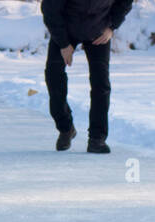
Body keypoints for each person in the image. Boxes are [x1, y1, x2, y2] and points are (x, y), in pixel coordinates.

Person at [41, 0, 133, 153]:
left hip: (98, 29)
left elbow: (124, 3)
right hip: (66, 29)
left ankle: (97, 139)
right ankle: (66, 127)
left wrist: (111, 27)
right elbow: (50, 10)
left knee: (100, 82)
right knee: (53, 74)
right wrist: (63, 44)